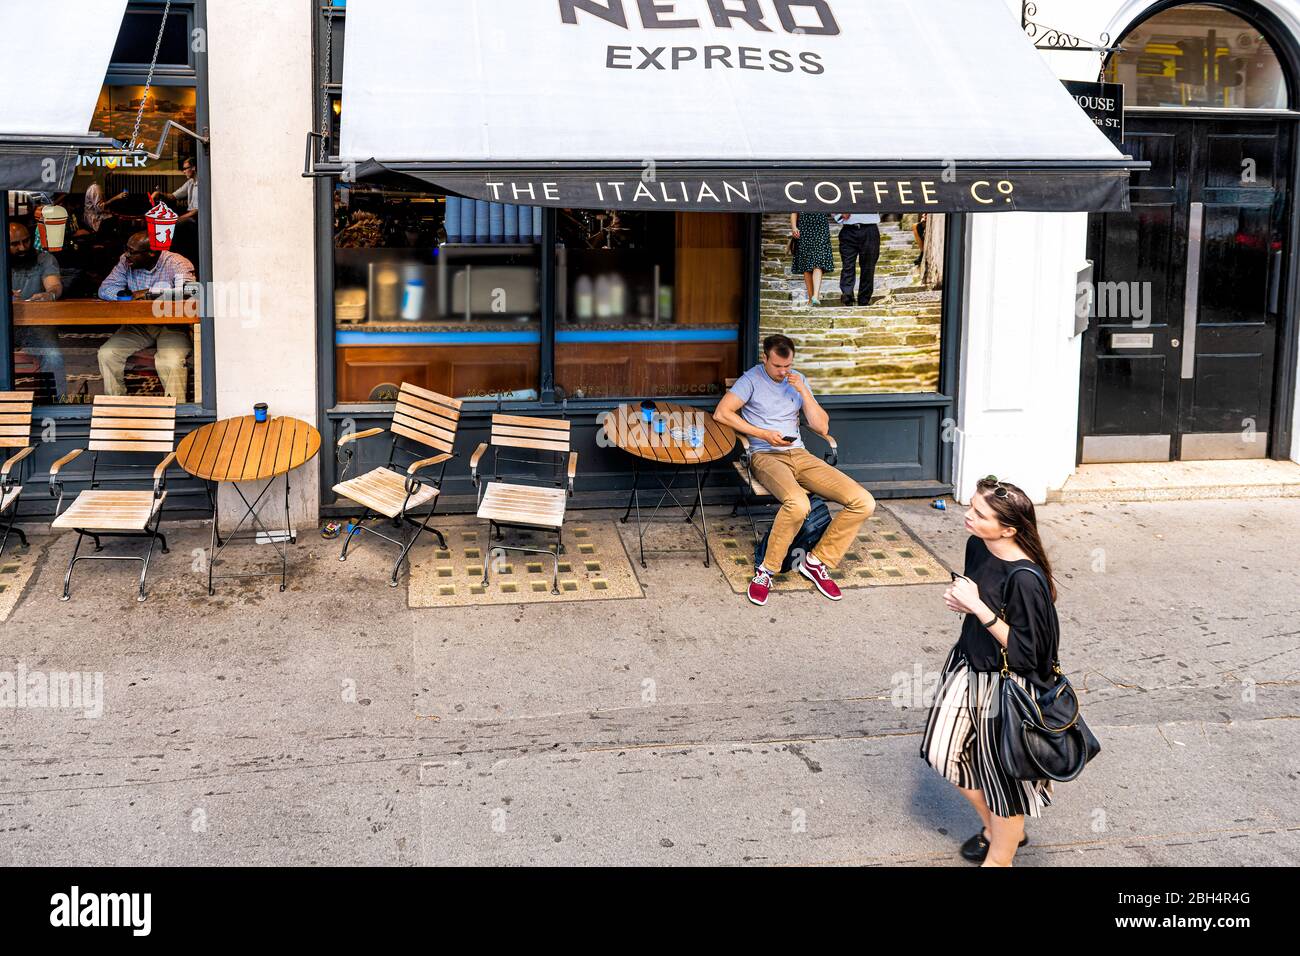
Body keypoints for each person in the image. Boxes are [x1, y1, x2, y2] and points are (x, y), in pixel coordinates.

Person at [920, 476, 1060, 867]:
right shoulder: (977, 545)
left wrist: (979, 610)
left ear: (1009, 529)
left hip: (1006, 686)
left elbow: (1029, 654)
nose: (968, 516)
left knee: (1002, 780)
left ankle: (1000, 858)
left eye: (980, 514)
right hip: (968, 665)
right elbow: (981, 595)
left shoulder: (1026, 578)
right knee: (943, 754)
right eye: (971, 507)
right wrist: (967, 603)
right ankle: (1001, 831)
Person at [713, 334, 876, 606]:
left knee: (864, 502)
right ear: (764, 358)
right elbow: (722, 413)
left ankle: (816, 561)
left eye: (787, 366)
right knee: (798, 504)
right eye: (777, 366)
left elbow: (822, 428)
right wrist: (763, 434)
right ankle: (766, 570)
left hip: (799, 454)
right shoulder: (751, 380)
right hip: (766, 455)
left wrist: (803, 391)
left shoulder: (796, 380)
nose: (783, 371)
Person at [96, 232, 196, 399]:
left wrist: (150, 294)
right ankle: (117, 406)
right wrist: (128, 295)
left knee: (169, 362)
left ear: (151, 253)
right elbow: (105, 289)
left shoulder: (175, 262)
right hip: (139, 325)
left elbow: (191, 291)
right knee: (107, 354)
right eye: (126, 250)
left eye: (132, 252)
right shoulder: (125, 262)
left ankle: (177, 411)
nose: (126, 255)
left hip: (172, 326)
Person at [8, 222, 67, 401]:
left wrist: (49, 295)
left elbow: (55, 285)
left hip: (35, 324)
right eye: (15, 244)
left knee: (53, 357)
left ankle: (59, 405)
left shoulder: (44, 259)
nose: (23, 247)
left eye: (26, 241)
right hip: (5, 323)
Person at [151, 156, 199, 264]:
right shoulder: (190, 182)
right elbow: (173, 196)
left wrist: (177, 219)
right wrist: (160, 194)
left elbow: (196, 211)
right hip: (190, 215)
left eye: (185, 168)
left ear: (194, 168)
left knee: (172, 225)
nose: (184, 171)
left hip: (196, 218)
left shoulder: (201, 183)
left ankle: (173, 258)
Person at [789, 211, 833, 308]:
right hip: (804, 226)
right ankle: (811, 298)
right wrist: (794, 227)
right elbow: (794, 210)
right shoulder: (799, 194)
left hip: (821, 225)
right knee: (806, 264)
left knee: (819, 260)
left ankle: (815, 296)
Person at [837, 212, 881, 306]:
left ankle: (864, 300)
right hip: (848, 229)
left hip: (870, 228)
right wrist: (839, 213)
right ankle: (847, 294)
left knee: (868, 266)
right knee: (847, 264)